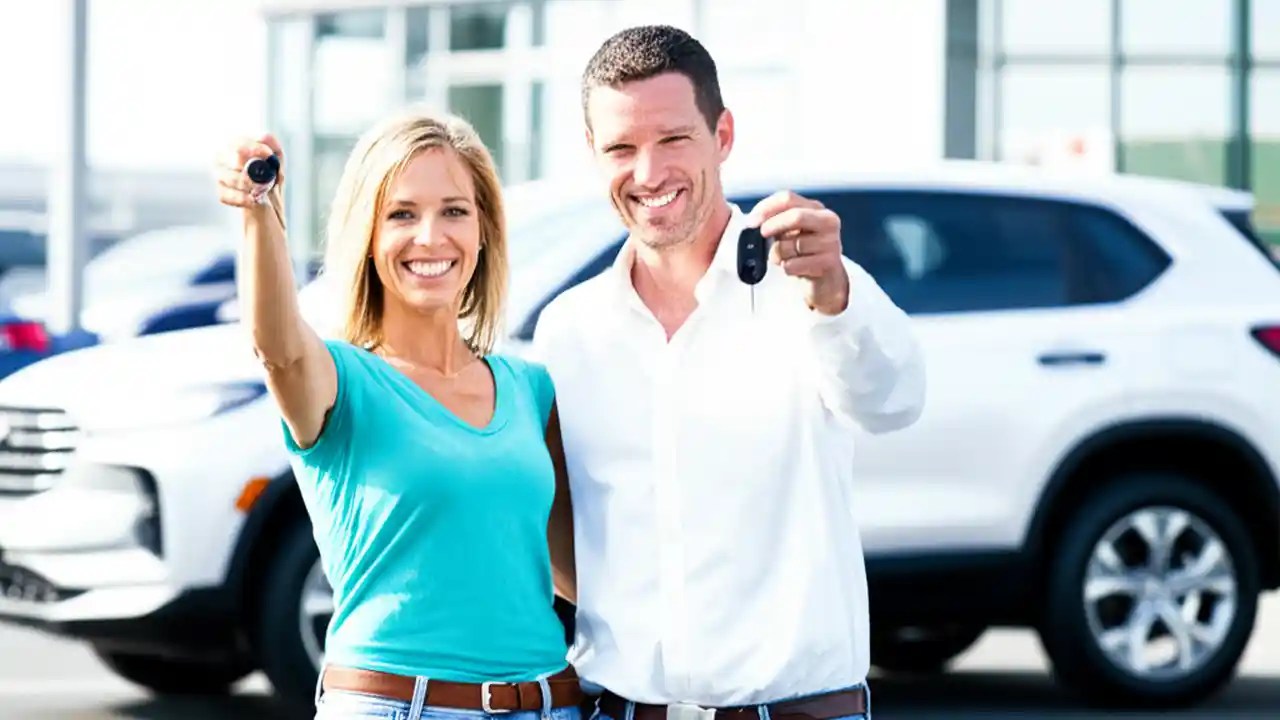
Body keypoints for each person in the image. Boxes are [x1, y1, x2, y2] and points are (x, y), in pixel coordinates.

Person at [532, 25, 927, 720]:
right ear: (593, 154)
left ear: (723, 135)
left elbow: (894, 402)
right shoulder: (569, 331)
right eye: (622, 147)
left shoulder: (810, 290)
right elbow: (568, 538)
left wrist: (835, 297)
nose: (648, 173)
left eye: (673, 139)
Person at [214, 108, 581, 720]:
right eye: (402, 214)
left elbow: (581, 575)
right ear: (369, 234)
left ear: (484, 228)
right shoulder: (340, 381)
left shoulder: (530, 388)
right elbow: (276, 346)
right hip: (398, 706)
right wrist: (259, 212)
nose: (430, 237)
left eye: (454, 211)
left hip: (547, 704)